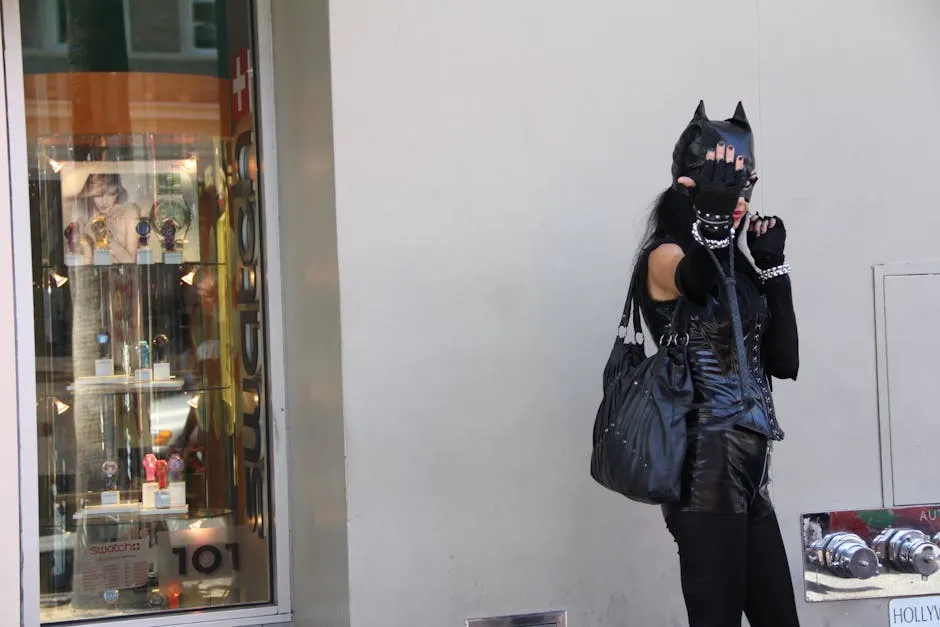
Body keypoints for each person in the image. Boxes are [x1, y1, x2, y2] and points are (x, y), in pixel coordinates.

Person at [635, 101, 801, 626]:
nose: (740, 197)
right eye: (727, 183)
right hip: (704, 470)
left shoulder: (734, 265)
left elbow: (785, 361)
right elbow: (693, 281)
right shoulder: (664, 256)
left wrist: (774, 271)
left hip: (752, 474)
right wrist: (709, 224)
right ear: (690, 185)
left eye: (746, 182)